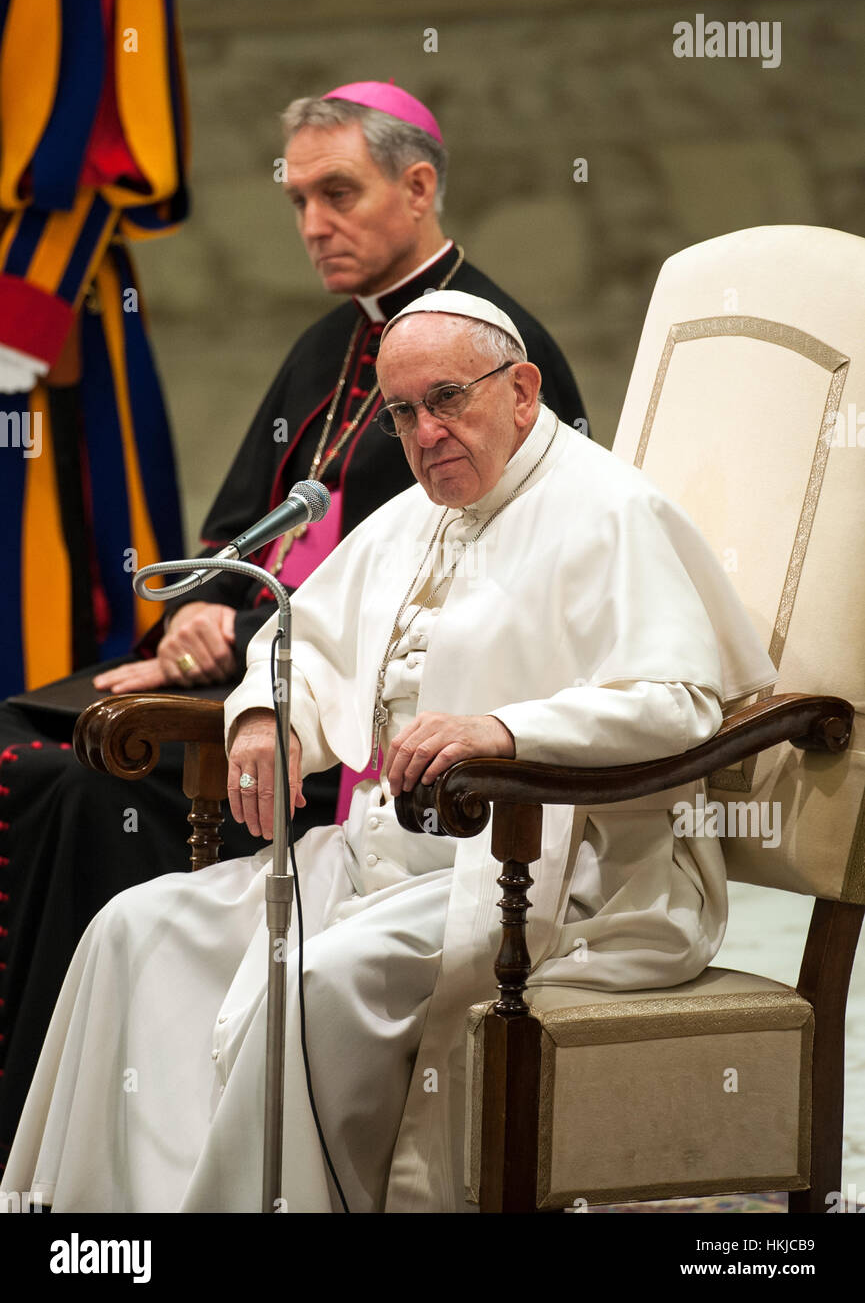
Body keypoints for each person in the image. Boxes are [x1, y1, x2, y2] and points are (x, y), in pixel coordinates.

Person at [1, 292, 775, 1214]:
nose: (424, 433)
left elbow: (677, 703)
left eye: (446, 398)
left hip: (559, 875)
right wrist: (267, 717)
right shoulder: (415, 513)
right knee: (135, 928)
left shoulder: (612, 511)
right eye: (402, 413)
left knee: (321, 981)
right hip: (388, 859)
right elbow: (302, 642)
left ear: (522, 390)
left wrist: (504, 731)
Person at [0, 80, 587, 1168]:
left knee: (72, 784)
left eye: (338, 193)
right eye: (297, 201)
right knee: (18, 740)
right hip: (253, 667)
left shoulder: (493, 353)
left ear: (419, 187)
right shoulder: (328, 343)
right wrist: (200, 613)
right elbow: (239, 529)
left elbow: (471, 597)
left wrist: (248, 655)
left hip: (346, 729)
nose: (313, 224)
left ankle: (118, 1114)